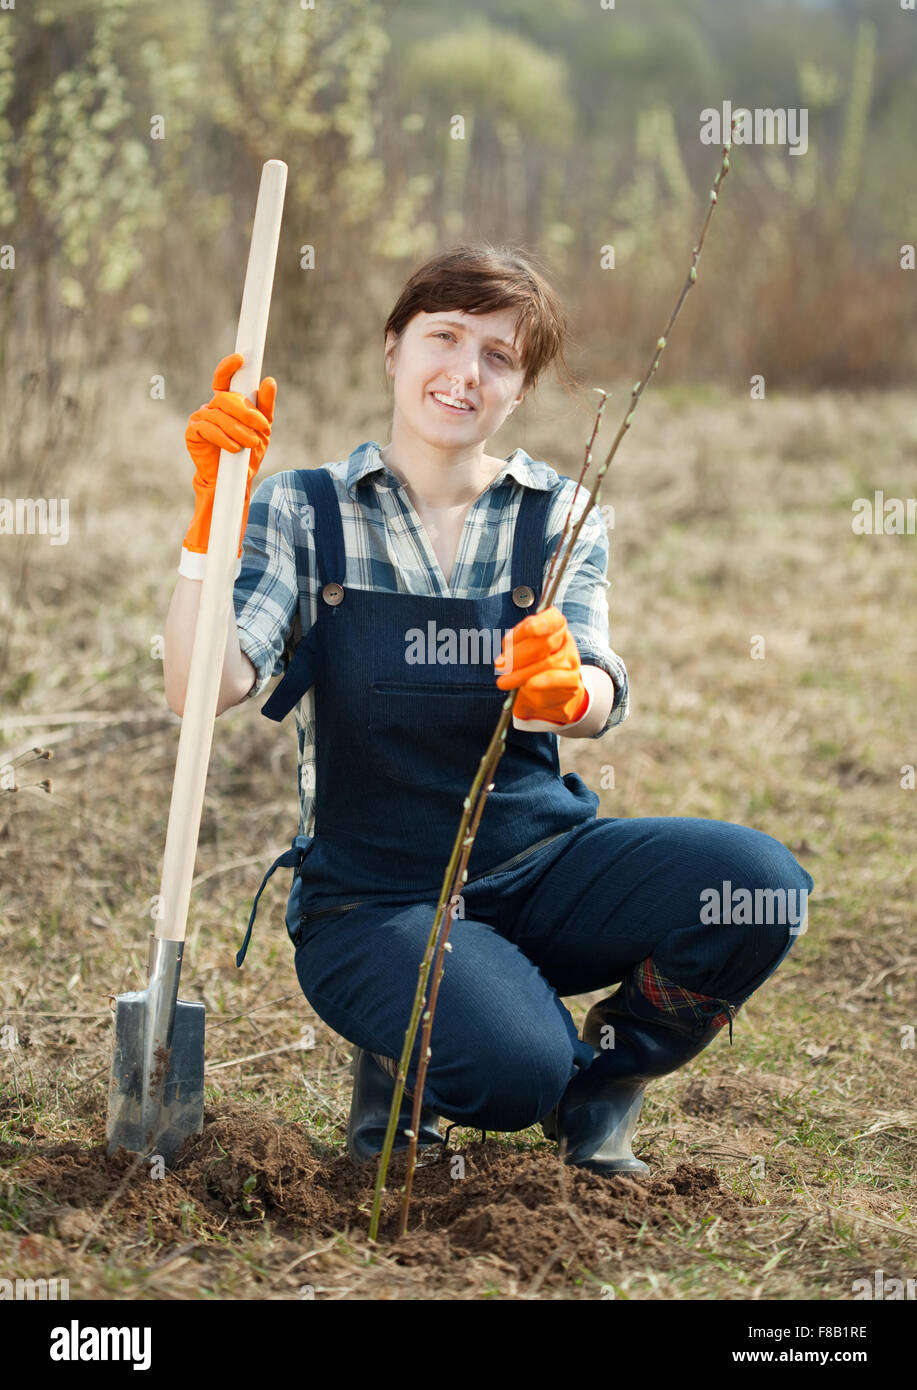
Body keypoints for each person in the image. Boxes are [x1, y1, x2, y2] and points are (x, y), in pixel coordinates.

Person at [164, 242, 814, 1177]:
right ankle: (423, 1056)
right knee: (514, 1072)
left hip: (540, 867)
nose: (464, 373)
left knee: (757, 886)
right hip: (375, 903)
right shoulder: (302, 511)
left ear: (520, 387)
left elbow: (596, 686)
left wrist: (568, 692)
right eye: (444, 337)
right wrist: (208, 535)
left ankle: (604, 1083)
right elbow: (200, 689)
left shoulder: (558, 514)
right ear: (393, 348)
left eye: (498, 356)